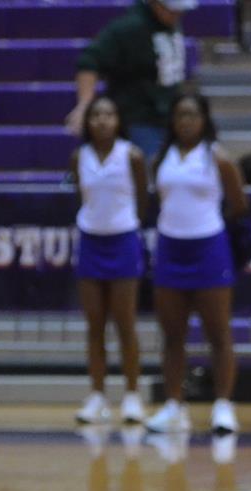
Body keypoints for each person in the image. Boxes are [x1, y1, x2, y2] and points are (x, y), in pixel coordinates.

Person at [148, 92, 246, 435]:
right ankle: (175, 405)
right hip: (171, 249)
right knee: (172, 334)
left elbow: (239, 204)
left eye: (192, 114)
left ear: (204, 119)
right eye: (180, 115)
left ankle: (223, 405)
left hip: (208, 248)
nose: (186, 121)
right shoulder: (162, 159)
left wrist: (207, 225)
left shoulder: (217, 158)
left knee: (218, 333)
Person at [71, 93, 150, 425]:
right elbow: (81, 195)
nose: (102, 120)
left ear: (119, 121)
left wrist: (128, 224)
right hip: (90, 241)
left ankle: (132, 395)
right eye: (96, 115)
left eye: (109, 114)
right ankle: (97, 396)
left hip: (122, 241)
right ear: (88, 122)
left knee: (125, 322)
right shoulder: (79, 156)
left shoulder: (131, 155)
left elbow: (143, 199)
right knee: (95, 325)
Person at [68, 0, 195, 161]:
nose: (177, 15)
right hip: (138, 120)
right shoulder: (129, 28)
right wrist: (84, 105)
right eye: (172, 10)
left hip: (168, 117)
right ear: (155, 4)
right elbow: (89, 62)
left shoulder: (171, 24)